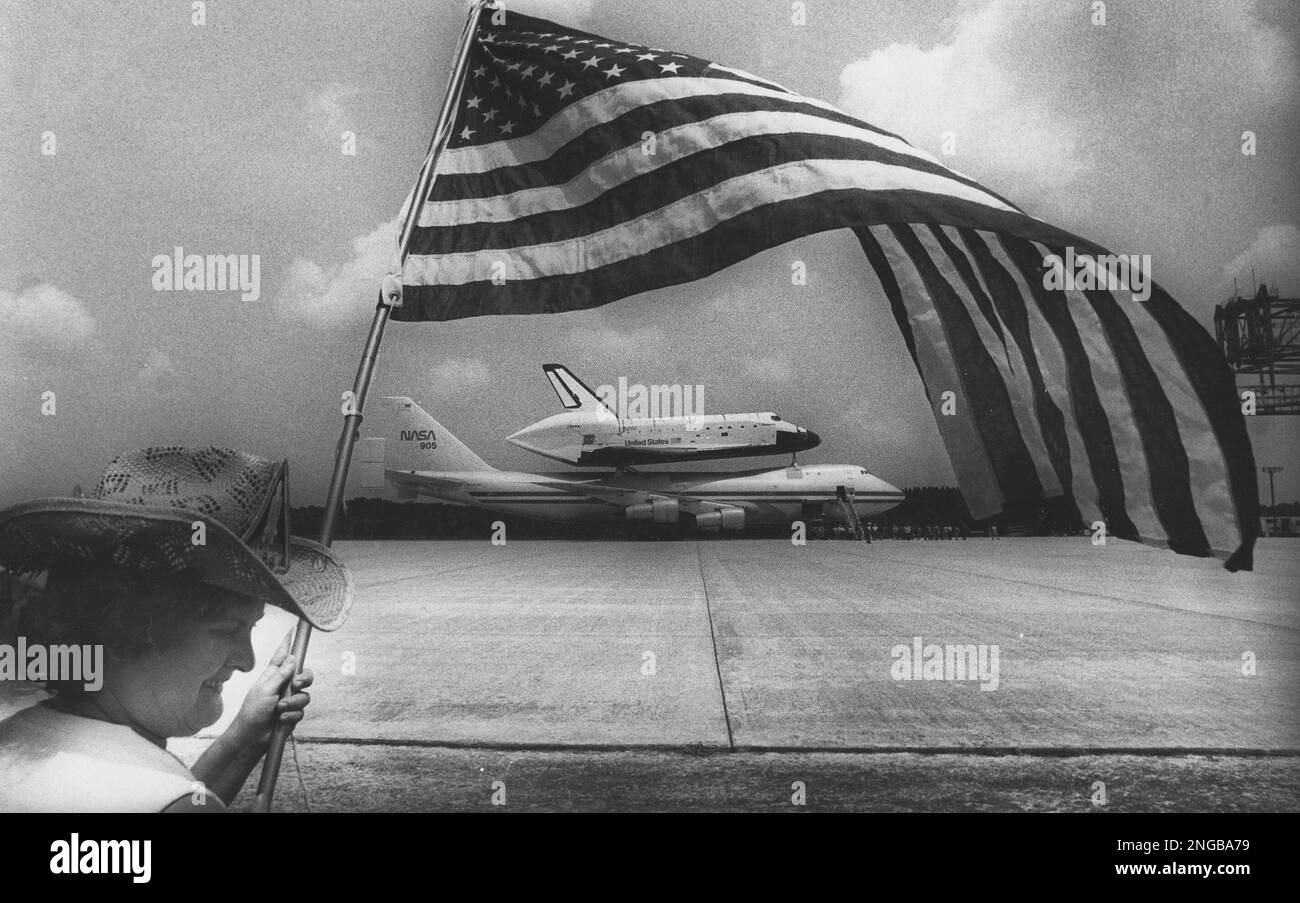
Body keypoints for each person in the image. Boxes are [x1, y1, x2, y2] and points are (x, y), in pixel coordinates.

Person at [0, 447, 353, 812]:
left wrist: (243, 741)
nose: (247, 662)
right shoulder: (169, 799)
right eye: (228, 628)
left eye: (250, 627)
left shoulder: (14, 739)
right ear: (132, 626)